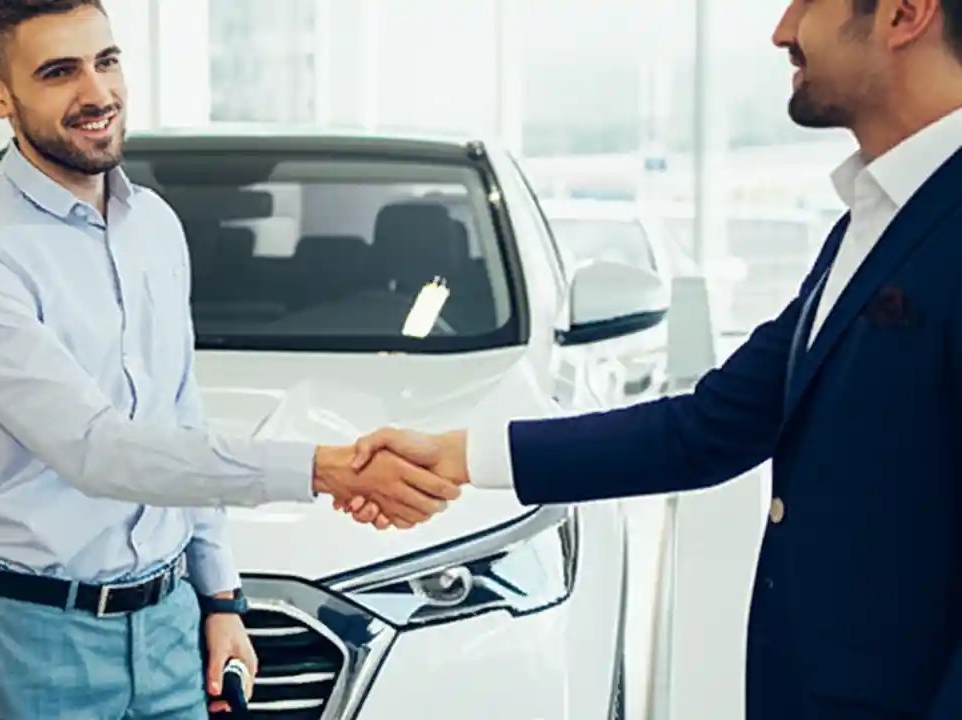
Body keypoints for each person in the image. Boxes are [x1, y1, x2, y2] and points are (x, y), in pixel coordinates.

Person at [346, 1, 962, 718]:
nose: (783, 31)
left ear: (904, 14)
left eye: (807, 2)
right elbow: (708, 427)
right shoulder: (875, 218)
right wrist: (460, 455)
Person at [0, 2, 461, 718]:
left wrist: (220, 598)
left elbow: (178, 415)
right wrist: (324, 468)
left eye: (106, 61)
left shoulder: (153, 225)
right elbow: (97, 450)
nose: (97, 93)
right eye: (59, 72)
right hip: (33, 645)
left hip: (171, 627)